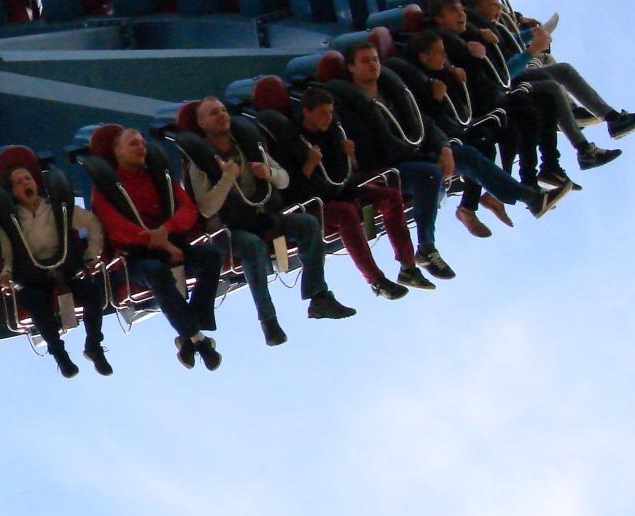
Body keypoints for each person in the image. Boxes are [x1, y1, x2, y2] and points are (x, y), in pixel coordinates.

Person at [431, 0, 635, 140]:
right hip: (499, 72)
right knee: (557, 72)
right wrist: (529, 45)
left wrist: (523, 27)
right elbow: (491, 33)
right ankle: (605, 123)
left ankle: (579, 113)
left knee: (548, 62)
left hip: (504, 57)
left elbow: (496, 23)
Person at [184, 97, 354, 346]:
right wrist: (227, 179)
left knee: (308, 224)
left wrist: (269, 174)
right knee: (252, 245)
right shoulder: (199, 163)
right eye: (213, 113)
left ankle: (318, 295)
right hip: (228, 231)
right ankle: (268, 321)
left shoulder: (248, 145)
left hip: (262, 217)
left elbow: (284, 179)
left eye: (223, 110)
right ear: (201, 122)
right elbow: (207, 209)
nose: (221, 115)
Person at [270, 86, 432, 299]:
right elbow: (293, 188)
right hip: (314, 203)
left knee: (390, 197)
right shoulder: (292, 140)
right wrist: (310, 163)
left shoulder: (334, 133)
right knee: (347, 213)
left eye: (330, 112)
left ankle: (408, 266)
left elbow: (346, 173)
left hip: (343, 190)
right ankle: (376, 280)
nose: (328, 118)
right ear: (307, 112)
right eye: (322, 113)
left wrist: (351, 156)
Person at [393, 31, 568, 222]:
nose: (444, 56)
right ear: (424, 56)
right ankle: (527, 195)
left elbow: (472, 96)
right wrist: (436, 100)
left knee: (507, 133)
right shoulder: (416, 82)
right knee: (480, 145)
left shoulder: (443, 73)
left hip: (458, 129)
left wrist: (460, 78)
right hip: (440, 140)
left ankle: (484, 201)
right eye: (439, 52)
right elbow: (428, 121)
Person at [86, 125, 222, 369]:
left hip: (171, 241)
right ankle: (198, 338)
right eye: (133, 143)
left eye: (142, 143)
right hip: (135, 256)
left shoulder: (161, 177)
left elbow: (188, 209)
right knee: (154, 271)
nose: (141, 147)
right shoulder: (103, 190)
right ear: (118, 153)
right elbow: (117, 229)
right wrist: (159, 241)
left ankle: (191, 331)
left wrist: (167, 231)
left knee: (211, 255)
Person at [0, 157, 110, 378]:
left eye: (27, 178)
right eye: (18, 182)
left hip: (67, 269)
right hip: (34, 277)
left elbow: (92, 222)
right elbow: (6, 254)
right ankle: (59, 354)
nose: (25, 183)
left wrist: (92, 254)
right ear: (13, 191)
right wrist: (6, 273)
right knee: (36, 304)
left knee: (92, 294)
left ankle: (93, 345)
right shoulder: (9, 220)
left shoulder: (58, 208)